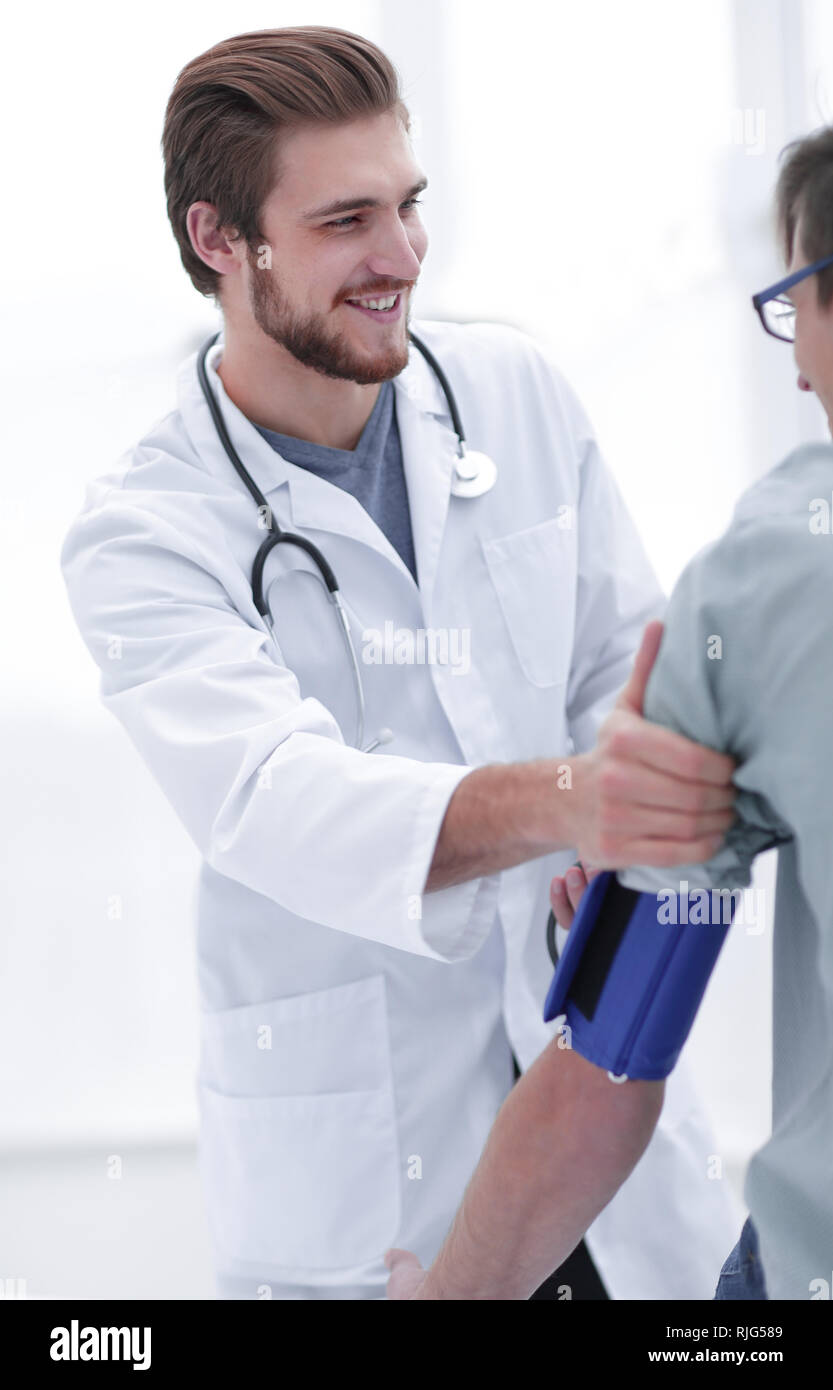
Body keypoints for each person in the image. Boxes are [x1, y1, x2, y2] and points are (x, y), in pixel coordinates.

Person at [60, 25, 739, 1300]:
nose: (401, 257)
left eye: (409, 205)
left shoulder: (515, 393)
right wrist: (564, 800)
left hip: (599, 1125)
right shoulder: (143, 531)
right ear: (221, 241)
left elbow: (614, 660)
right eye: (344, 221)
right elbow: (274, 798)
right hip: (374, 1189)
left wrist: (609, 796)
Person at [385, 123, 833, 1303]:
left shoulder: (774, 574)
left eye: (795, 304)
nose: (792, 369)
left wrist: (450, 1297)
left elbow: (610, 1059)